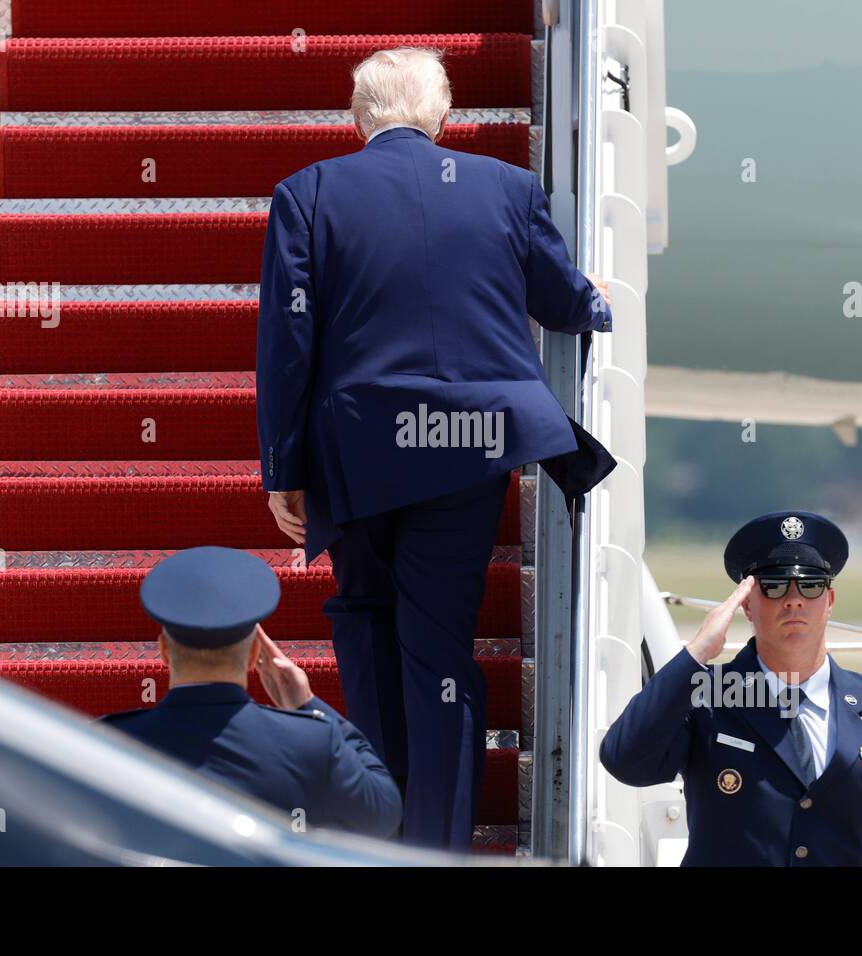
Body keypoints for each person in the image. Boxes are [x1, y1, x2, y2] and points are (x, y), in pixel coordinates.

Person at [255, 46, 615, 849]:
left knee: (364, 630)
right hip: (467, 449)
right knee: (439, 653)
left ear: (359, 120)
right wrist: (601, 306)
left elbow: (287, 342)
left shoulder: (307, 194)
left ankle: (374, 836)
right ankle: (437, 850)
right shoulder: (506, 188)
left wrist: (285, 469)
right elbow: (562, 299)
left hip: (355, 456)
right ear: (442, 115)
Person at [600, 511, 862, 866]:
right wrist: (696, 654)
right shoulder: (706, 695)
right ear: (746, 603)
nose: (794, 600)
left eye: (810, 585)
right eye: (774, 586)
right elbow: (624, 760)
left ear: (830, 601)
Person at [98, 546, 402, 839]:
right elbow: (383, 813)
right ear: (254, 651)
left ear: (164, 650)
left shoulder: (109, 745)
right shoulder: (312, 742)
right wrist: (306, 704)